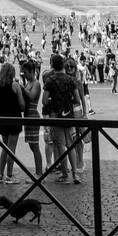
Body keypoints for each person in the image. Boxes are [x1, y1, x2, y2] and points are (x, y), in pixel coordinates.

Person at [41, 54, 80, 184]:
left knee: (61, 145)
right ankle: (75, 174)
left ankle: (64, 174)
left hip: (56, 115)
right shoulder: (70, 80)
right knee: (70, 144)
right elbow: (77, 99)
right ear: (63, 65)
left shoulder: (50, 80)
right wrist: (67, 100)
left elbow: (44, 101)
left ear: (52, 65)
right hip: (69, 114)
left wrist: (54, 99)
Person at [0, 62, 25, 183]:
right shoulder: (15, 85)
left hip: (2, 118)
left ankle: (0, 174)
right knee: (11, 148)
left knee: (4, 147)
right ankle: (9, 175)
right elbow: (22, 105)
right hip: (14, 118)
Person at [20, 59, 44, 178]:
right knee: (32, 146)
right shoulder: (28, 83)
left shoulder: (36, 84)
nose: (24, 75)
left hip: (33, 115)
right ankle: (38, 172)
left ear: (32, 71)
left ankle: (39, 174)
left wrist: (21, 88)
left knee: (35, 146)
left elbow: (32, 96)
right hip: (28, 116)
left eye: (26, 73)